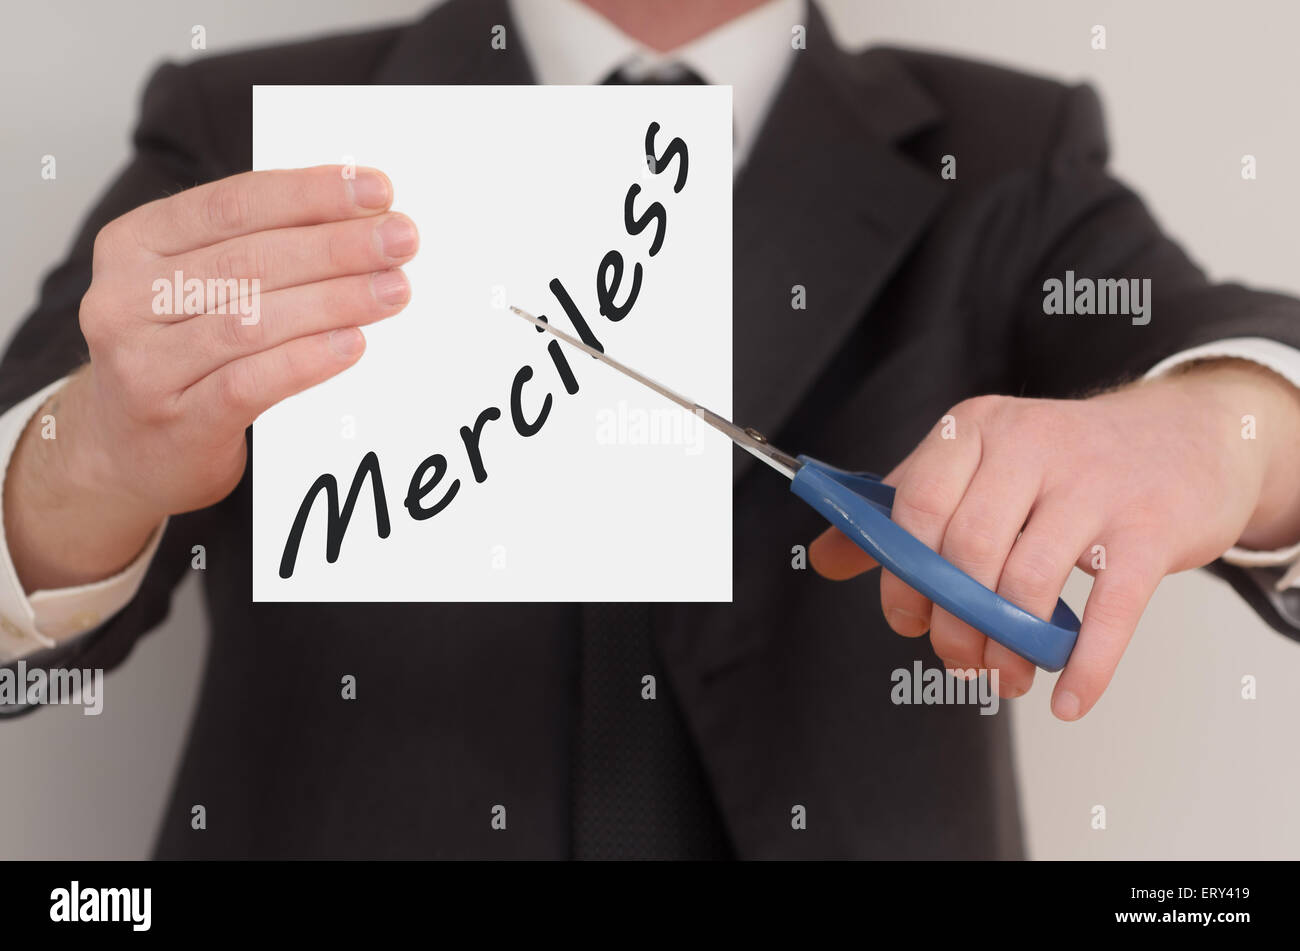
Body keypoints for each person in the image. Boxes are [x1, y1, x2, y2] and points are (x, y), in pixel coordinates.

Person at [1, 0, 1298, 859]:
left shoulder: (1005, 153)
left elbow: (1241, 359)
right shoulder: (245, 127)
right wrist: (101, 456)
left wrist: (1216, 433)